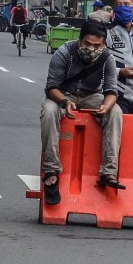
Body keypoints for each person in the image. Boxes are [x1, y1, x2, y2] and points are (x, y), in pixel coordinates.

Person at [40, 19, 124, 204]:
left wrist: (106, 106)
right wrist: (63, 101)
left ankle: (109, 172)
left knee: (116, 111)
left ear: (103, 44)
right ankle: (51, 170)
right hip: (62, 95)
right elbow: (51, 87)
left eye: (97, 45)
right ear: (79, 40)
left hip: (91, 96)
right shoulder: (63, 53)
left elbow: (111, 91)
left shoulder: (107, 58)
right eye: (87, 44)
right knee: (48, 110)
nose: (92, 49)